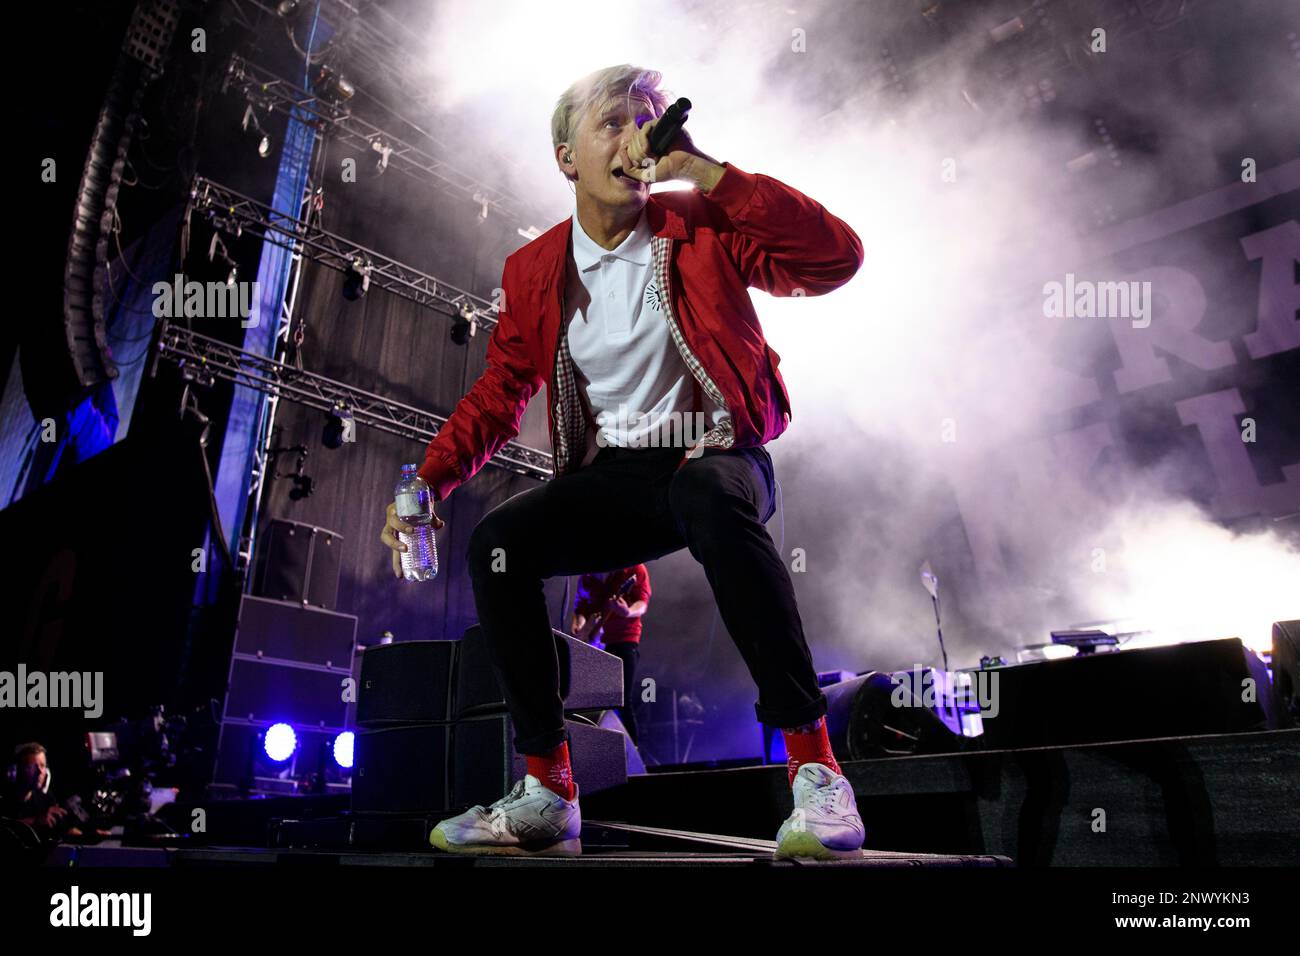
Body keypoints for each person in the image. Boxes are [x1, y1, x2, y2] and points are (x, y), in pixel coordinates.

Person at [380, 64, 865, 859]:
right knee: (495, 547)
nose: (637, 136)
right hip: (621, 478)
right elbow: (500, 393)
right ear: (567, 157)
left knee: (710, 494)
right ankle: (547, 789)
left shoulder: (700, 220)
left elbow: (835, 258)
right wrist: (428, 482)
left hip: (723, 453)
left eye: (647, 118)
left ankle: (817, 773)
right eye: (614, 121)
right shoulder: (535, 270)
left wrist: (709, 173)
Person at [570, 563, 650, 743]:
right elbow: (581, 608)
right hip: (595, 644)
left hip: (624, 640)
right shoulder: (587, 576)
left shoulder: (634, 568)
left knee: (622, 699)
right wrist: (579, 624)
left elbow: (642, 603)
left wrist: (627, 611)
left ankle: (632, 750)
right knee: (594, 701)